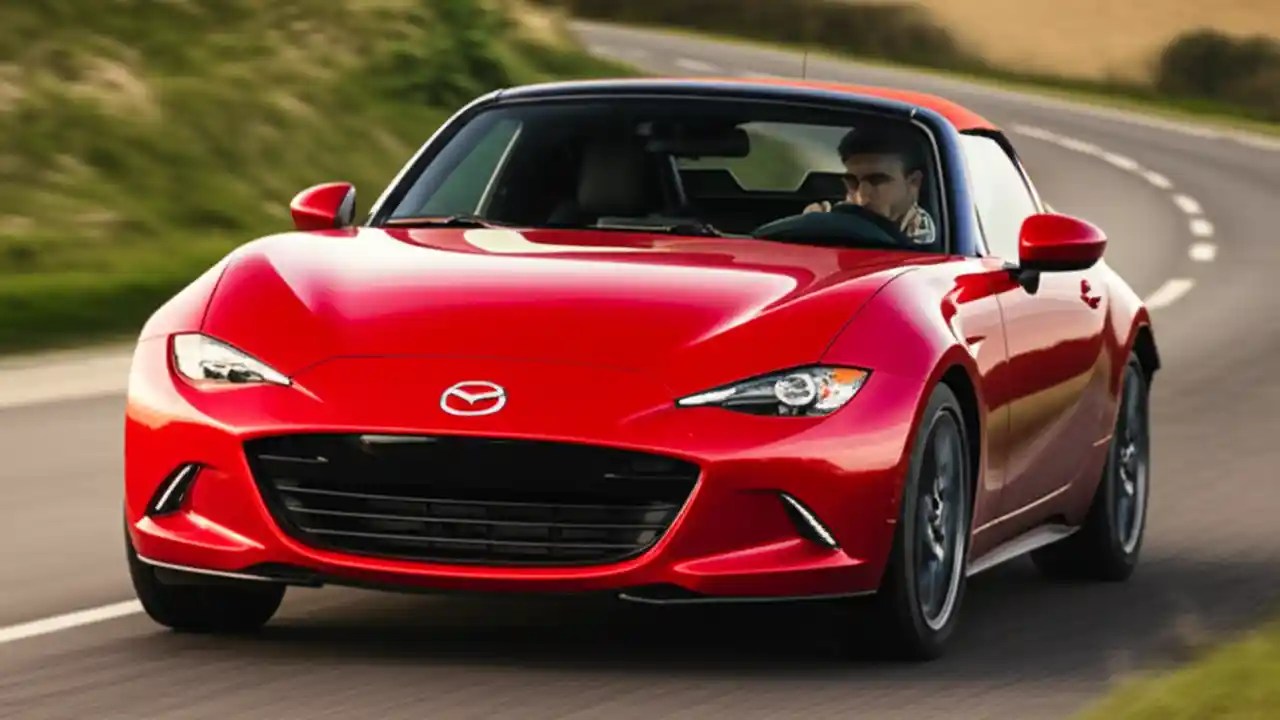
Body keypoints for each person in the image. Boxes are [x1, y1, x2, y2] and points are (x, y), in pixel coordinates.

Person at [804, 127, 937, 246]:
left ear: (914, 182)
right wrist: (812, 229)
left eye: (876, 181)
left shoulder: (931, 241)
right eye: (852, 182)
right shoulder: (829, 220)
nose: (860, 198)